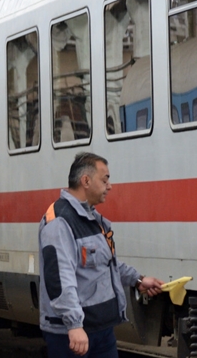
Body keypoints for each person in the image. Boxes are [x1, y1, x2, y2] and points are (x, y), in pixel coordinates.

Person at [39, 152, 164, 357]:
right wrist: (74, 325)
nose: (110, 186)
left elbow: (105, 264)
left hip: (101, 330)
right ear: (86, 180)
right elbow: (59, 279)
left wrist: (138, 280)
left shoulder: (92, 218)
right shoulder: (60, 221)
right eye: (105, 179)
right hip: (71, 334)